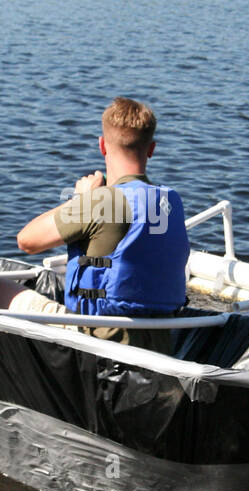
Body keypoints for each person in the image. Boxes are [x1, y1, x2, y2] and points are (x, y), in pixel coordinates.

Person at [14, 97, 190, 352]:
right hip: (159, 338)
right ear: (151, 149)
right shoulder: (170, 201)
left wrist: (80, 200)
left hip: (99, 339)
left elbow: (26, 241)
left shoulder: (101, 202)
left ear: (102, 146)